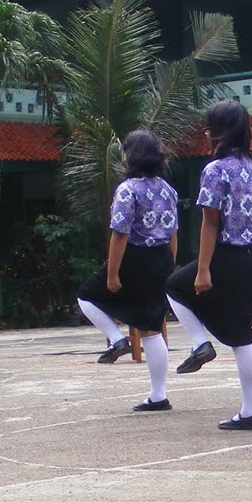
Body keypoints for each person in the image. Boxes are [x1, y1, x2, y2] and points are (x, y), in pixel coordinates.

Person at [165, 100, 252, 431]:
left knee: (174, 287)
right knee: (243, 337)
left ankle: (200, 343)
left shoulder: (215, 170)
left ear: (219, 132)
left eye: (209, 128)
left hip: (226, 255)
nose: (207, 134)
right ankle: (251, 411)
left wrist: (202, 268)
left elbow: (210, 222)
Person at [75, 129, 179, 412]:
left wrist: (112, 273)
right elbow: (173, 233)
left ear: (131, 156)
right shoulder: (168, 190)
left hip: (134, 256)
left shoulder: (128, 189)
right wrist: (168, 264)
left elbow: (119, 234)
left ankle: (118, 339)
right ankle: (158, 395)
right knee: (151, 327)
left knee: (86, 296)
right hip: (160, 259)